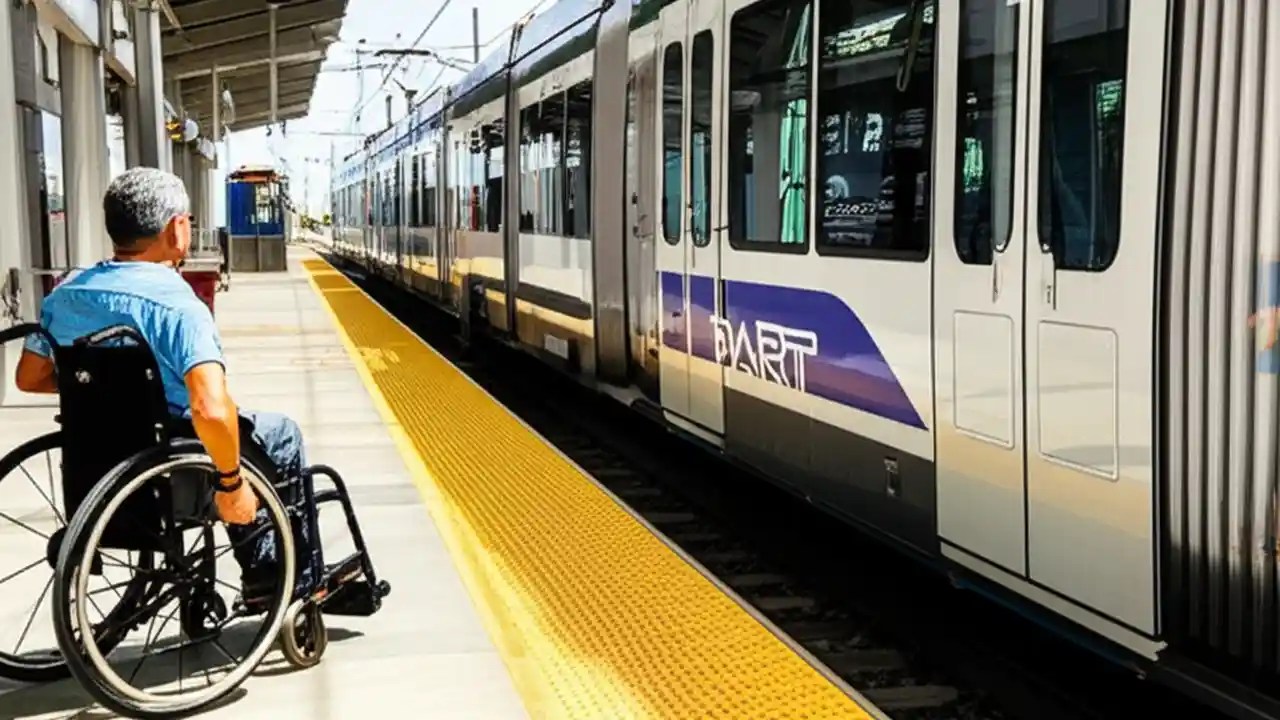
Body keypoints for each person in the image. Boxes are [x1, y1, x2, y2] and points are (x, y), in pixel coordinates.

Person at [13, 166, 311, 600]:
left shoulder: (66, 293)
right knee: (279, 434)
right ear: (177, 229)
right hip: (172, 458)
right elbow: (209, 408)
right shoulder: (176, 303)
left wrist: (105, 390)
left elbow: (30, 377)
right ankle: (277, 577)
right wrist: (230, 484)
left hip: (96, 454)